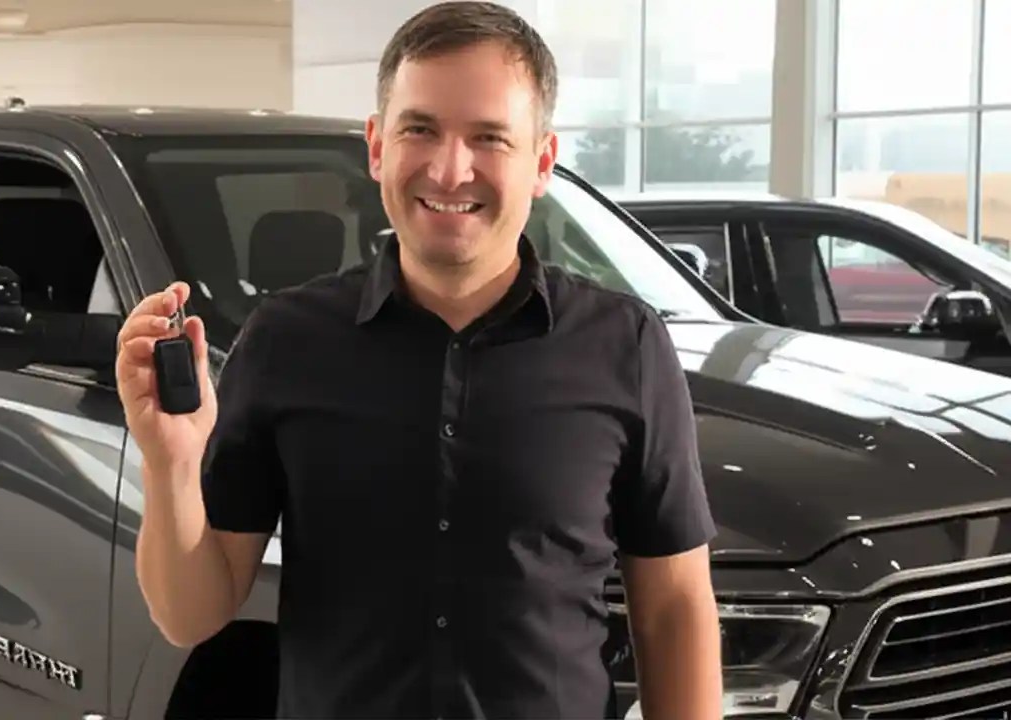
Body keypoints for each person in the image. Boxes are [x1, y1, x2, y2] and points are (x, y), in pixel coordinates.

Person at [115, 2, 723, 718]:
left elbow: (675, 607)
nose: (449, 167)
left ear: (542, 162)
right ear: (377, 147)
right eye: (420, 129)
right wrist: (171, 464)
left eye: (489, 137)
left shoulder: (626, 347)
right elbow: (192, 617)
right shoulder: (285, 343)